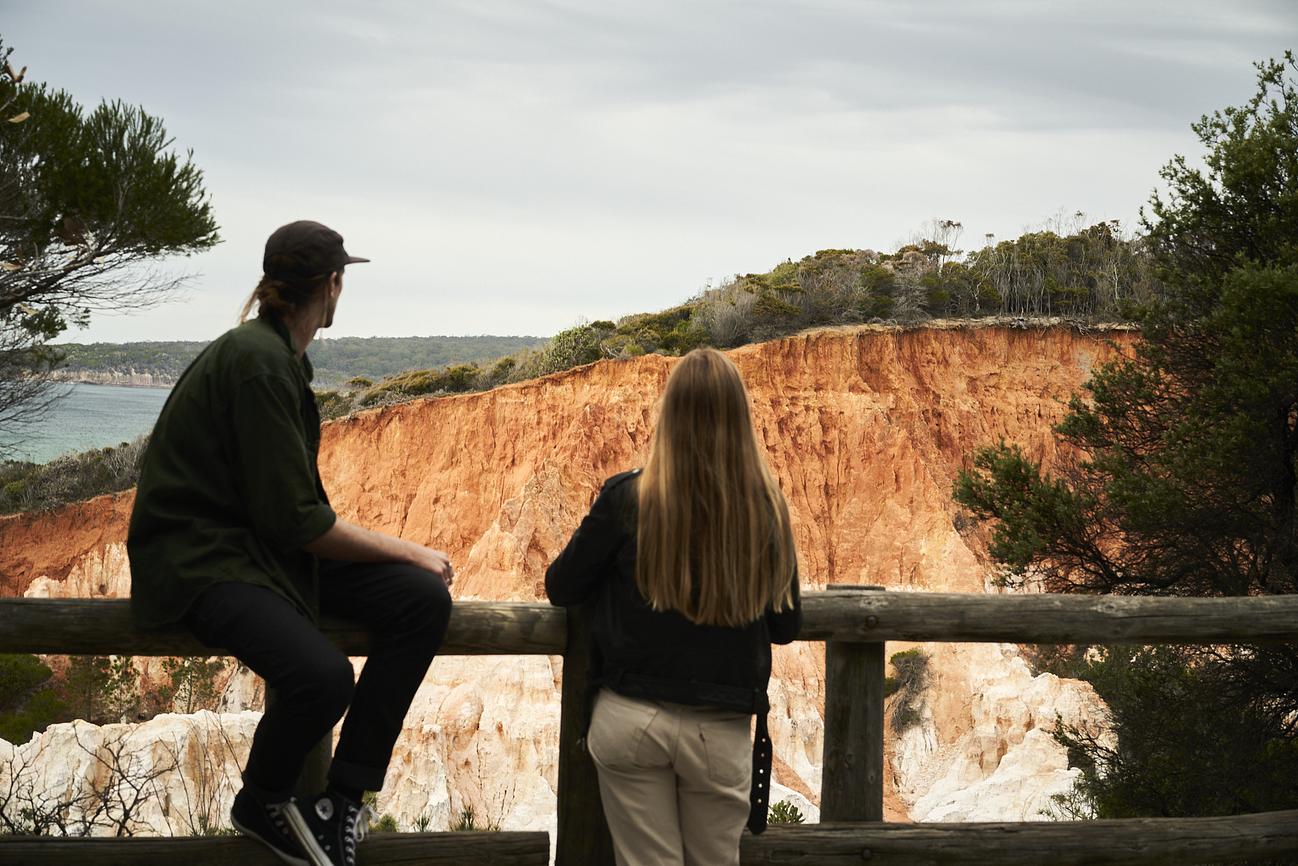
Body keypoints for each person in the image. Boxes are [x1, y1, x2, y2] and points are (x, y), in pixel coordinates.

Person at [127, 220, 454, 866]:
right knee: (321, 676)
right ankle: (262, 800)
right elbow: (297, 523)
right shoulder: (259, 365)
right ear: (332, 285)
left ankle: (342, 800)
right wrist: (411, 548)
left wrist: (408, 568)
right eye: (341, 280)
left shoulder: (278, 356)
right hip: (199, 561)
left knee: (421, 603)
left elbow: (286, 518)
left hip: (256, 552)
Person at [545, 347, 801, 866]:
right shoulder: (765, 509)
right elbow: (786, 623)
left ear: (669, 412)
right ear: (740, 416)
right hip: (720, 726)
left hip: (631, 718)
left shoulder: (628, 498)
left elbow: (562, 586)